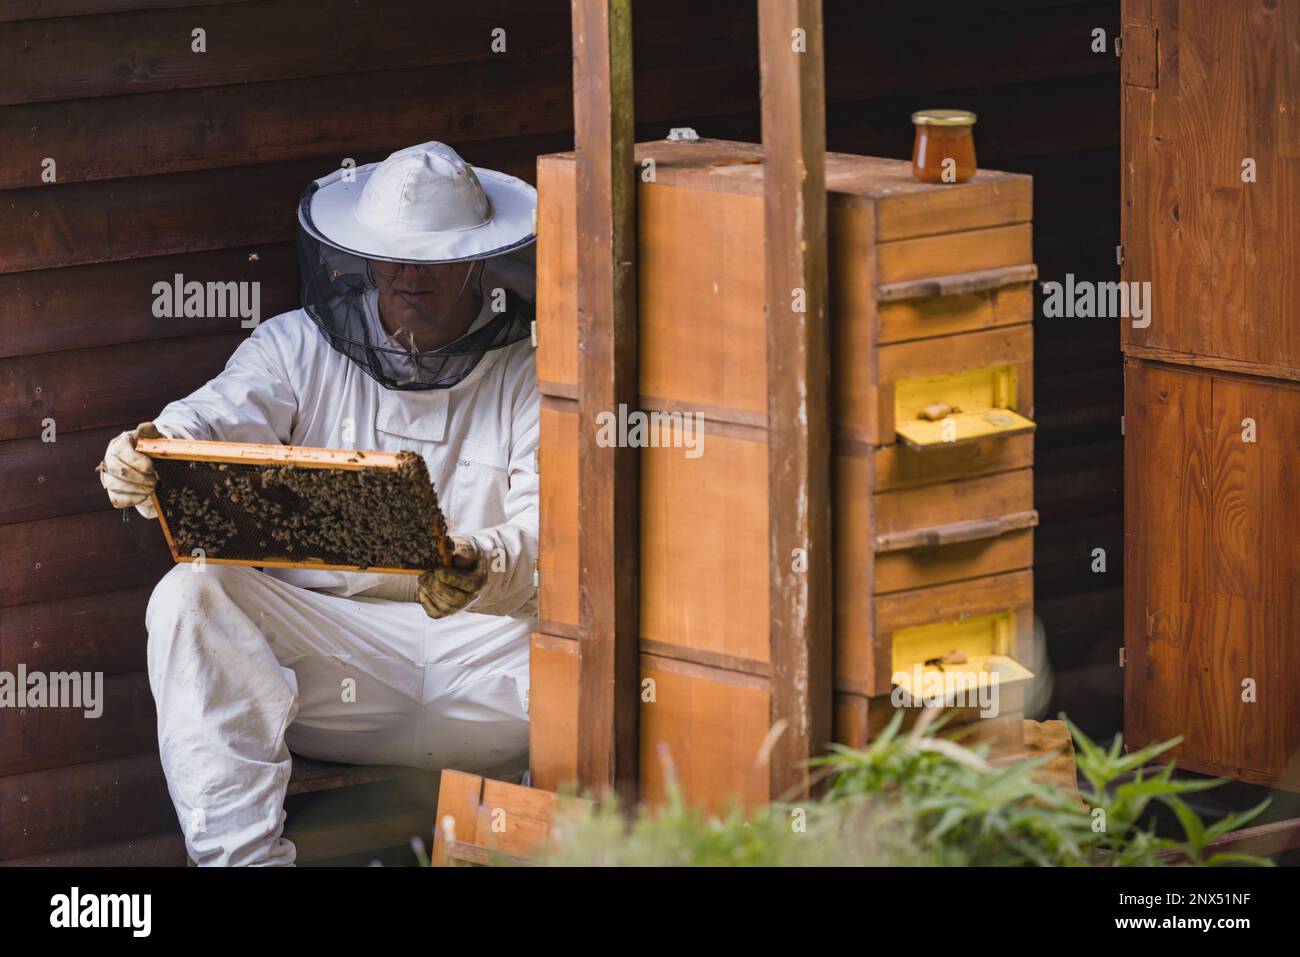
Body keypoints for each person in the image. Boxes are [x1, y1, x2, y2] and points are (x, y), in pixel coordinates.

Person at [97, 142, 540, 866]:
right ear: (361, 256)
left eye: (428, 260)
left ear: (477, 263)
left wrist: (481, 561)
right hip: (340, 665)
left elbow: (557, 528)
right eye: (390, 256)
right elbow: (213, 418)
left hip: (487, 661)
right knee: (191, 593)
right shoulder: (294, 348)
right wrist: (151, 449)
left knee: (618, 644)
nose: (406, 277)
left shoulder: (532, 371)